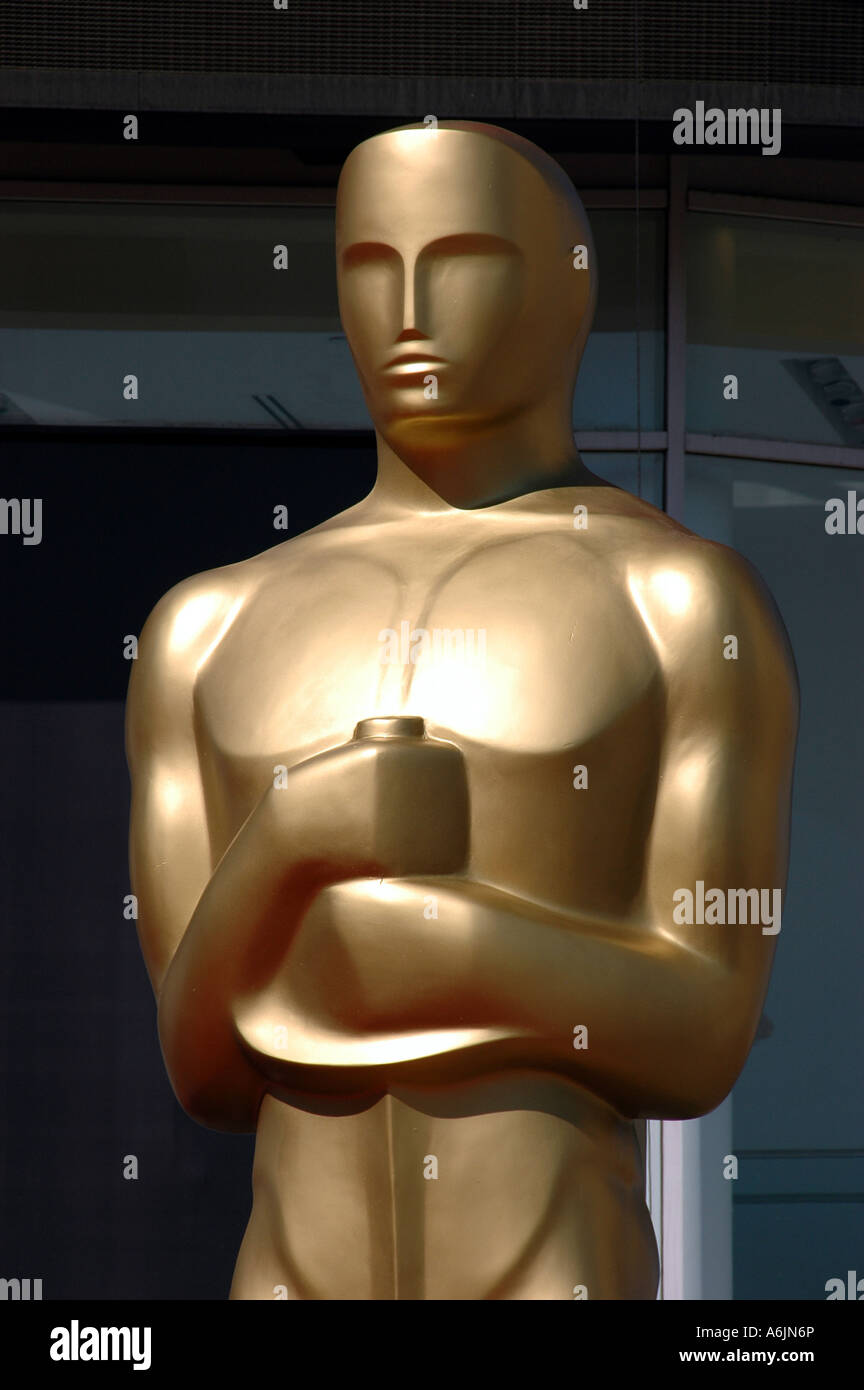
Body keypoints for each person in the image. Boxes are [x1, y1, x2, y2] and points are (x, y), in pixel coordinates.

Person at [126, 122, 798, 1299]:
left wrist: (425, 942)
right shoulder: (207, 628)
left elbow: (704, 1031)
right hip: (287, 1273)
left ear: (568, 293)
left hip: (552, 1268)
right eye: (370, 263)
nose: (410, 306)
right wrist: (293, 834)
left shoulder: (679, 604)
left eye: (465, 255)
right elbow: (201, 1067)